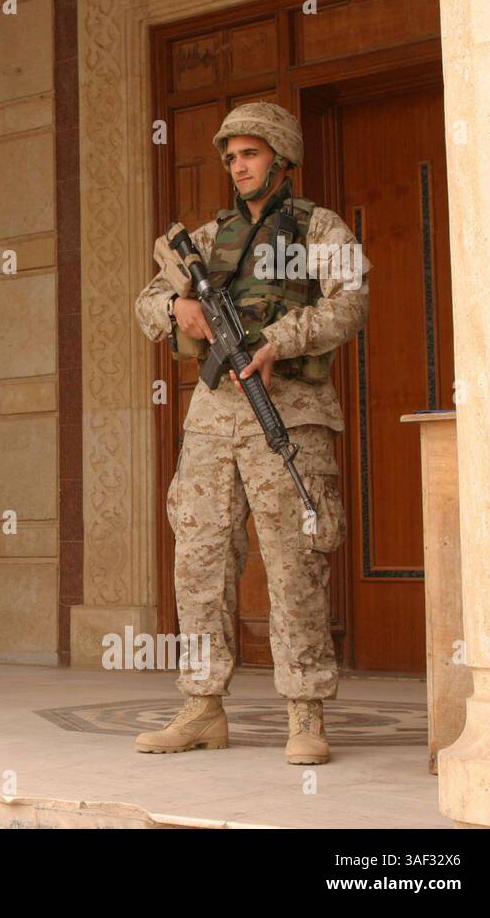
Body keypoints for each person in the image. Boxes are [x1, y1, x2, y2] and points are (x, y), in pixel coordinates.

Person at [132, 101, 369, 764]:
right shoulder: (206, 241)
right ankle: (203, 707)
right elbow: (148, 304)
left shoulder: (319, 228)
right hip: (212, 424)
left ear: (280, 156)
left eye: (251, 154)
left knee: (295, 562)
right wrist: (178, 307)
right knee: (199, 560)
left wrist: (276, 339)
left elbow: (351, 302)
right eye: (231, 156)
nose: (238, 166)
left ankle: (305, 712)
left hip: (289, 413)